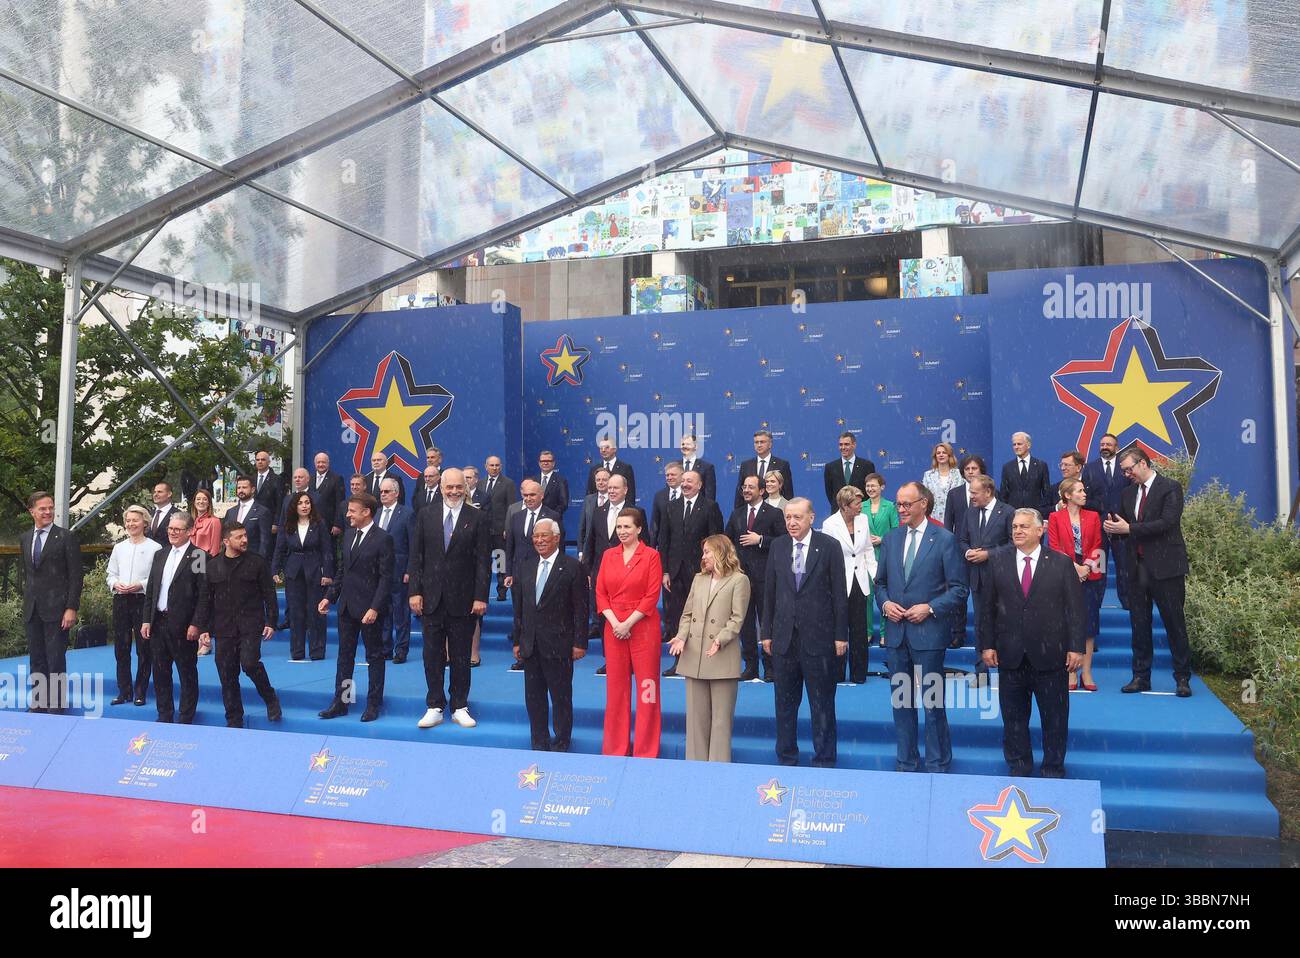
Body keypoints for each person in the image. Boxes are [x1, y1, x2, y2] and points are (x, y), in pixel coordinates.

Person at [978, 509, 1085, 778]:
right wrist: (987, 644)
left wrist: (1076, 647)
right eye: (1014, 526)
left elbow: (1075, 609)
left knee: (1055, 719)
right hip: (1010, 656)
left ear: (1040, 530)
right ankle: (1019, 766)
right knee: (1013, 719)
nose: (1017, 531)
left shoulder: (1061, 563)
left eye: (1024, 526)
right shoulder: (998, 561)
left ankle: (1053, 768)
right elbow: (987, 608)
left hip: (1051, 657)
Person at [875, 481, 968, 773]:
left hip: (928, 636)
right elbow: (880, 584)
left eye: (906, 504)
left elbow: (958, 589)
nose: (900, 509)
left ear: (923, 504)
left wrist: (929, 608)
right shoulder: (891, 539)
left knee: (932, 703)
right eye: (898, 504)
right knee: (901, 704)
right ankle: (906, 761)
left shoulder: (944, 539)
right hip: (896, 635)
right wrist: (886, 604)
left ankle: (937, 762)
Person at [763, 498, 848, 767]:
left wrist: (840, 635)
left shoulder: (829, 547)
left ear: (811, 518)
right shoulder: (777, 546)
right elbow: (770, 594)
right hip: (784, 641)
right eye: (788, 517)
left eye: (797, 517)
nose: (791, 523)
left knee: (821, 705)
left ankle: (824, 758)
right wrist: (766, 632)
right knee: (784, 706)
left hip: (819, 640)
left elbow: (839, 596)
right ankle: (786, 756)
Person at [1104, 448, 1193, 697]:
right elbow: (1124, 528)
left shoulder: (1170, 487)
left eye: (1129, 468)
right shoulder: (1127, 492)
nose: (1126, 474)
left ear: (1143, 463)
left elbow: (1167, 523)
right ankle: (1141, 677)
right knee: (1139, 625)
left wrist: (1128, 528)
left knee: (1174, 623)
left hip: (1167, 568)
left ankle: (1182, 678)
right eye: (1123, 470)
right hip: (1137, 568)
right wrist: (1112, 528)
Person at [409, 468, 492, 729]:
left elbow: (483, 562)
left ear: (465, 488)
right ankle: (434, 704)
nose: (455, 491)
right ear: (441, 487)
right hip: (431, 599)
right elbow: (417, 556)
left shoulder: (477, 517)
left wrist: (480, 596)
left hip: (464, 599)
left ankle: (459, 706)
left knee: (459, 656)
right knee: (431, 655)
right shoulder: (426, 514)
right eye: (450, 487)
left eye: (459, 487)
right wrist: (415, 591)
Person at [669, 534, 750, 761]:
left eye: (707, 552)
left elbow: (737, 619)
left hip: (721, 656)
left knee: (721, 721)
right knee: (696, 720)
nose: (703, 557)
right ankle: (695, 768)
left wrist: (720, 639)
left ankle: (718, 768)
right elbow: (687, 614)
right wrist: (681, 637)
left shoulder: (738, 580)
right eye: (703, 552)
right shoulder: (699, 579)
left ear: (721, 553)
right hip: (695, 656)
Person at [512, 518, 588, 752]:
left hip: (560, 645)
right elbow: (520, 608)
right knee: (534, 698)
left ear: (557, 538)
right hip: (531, 645)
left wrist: (580, 642)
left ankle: (562, 740)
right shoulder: (525, 566)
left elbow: (581, 608)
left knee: (561, 697)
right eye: (536, 536)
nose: (540, 540)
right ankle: (539, 740)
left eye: (544, 536)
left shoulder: (572, 567)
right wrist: (517, 640)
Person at [196, 522, 281, 728]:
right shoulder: (213, 566)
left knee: (250, 664)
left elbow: (269, 595)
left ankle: (270, 697)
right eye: (238, 537)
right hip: (223, 628)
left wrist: (271, 621)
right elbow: (205, 600)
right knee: (226, 674)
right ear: (226, 541)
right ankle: (234, 718)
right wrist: (204, 628)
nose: (244, 540)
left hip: (250, 625)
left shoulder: (257, 563)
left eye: (245, 535)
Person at [319, 494, 394, 722]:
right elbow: (343, 571)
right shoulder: (349, 535)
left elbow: (386, 578)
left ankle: (373, 704)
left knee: (374, 656)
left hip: (370, 610)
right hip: (347, 607)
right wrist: (329, 597)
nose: (348, 515)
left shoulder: (383, 539)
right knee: (345, 657)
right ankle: (341, 702)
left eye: (352, 511)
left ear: (366, 512)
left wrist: (375, 608)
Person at [596, 507, 663, 758]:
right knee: (616, 691)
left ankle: (646, 750)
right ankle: (615, 748)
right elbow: (601, 593)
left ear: (639, 529)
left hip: (643, 628)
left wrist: (628, 624)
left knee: (647, 690)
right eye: (619, 526)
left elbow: (651, 596)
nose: (622, 531)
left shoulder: (651, 556)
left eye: (627, 527)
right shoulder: (608, 555)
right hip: (614, 627)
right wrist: (615, 623)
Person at [658, 468, 724, 676]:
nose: (685, 484)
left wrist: (713, 569)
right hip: (675, 573)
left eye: (690, 481)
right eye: (683, 480)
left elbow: (716, 541)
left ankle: (702, 661)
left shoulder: (710, 507)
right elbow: (664, 540)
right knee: (679, 617)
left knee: (703, 617)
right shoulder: (671, 507)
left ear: (700, 485)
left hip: (701, 572)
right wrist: (665, 571)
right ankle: (679, 662)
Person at [20, 492, 82, 713]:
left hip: (58, 609)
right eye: (43, 509)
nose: (48, 512)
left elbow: (76, 575)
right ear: (32, 511)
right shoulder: (26, 538)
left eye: (50, 508)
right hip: (33, 609)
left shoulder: (66, 537)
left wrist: (71, 607)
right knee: (37, 658)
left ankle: (56, 706)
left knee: (55, 659)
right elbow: (28, 574)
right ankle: (39, 702)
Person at [141, 511, 205, 724]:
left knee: (186, 672)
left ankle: (186, 716)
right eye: (170, 529)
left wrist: (196, 623)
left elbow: (203, 594)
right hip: (158, 622)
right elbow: (151, 589)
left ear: (189, 531)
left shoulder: (198, 556)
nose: (172, 533)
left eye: (177, 529)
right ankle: (164, 714)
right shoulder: (160, 554)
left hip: (184, 625)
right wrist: (146, 619)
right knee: (160, 672)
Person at [726, 475, 784, 682]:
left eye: (751, 487)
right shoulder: (736, 514)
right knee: (746, 624)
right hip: (741, 579)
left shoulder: (775, 514)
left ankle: (770, 668)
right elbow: (728, 542)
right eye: (744, 487)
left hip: (766, 578)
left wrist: (760, 540)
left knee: (767, 622)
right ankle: (750, 666)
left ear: (762, 491)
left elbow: (783, 541)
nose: (747, 490)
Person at [1048, 478, 1104, 691]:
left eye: (1084, 490)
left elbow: (1097, 544)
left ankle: (1087, 672)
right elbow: (1054, 546)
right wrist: (1074, 568)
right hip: (1064, 575)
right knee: (1068, 623)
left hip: (1089, 576)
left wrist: (1086, 568)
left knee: (1089, 626)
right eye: (1079, 491)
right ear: (1068, 495)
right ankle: (1071, 672)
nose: (1084, 494)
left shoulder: (1093, 516)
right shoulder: (1055, 517)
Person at [957, 475, 1014, 675]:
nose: (971, 496)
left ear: (988, 492)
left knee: (1005, 623)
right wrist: (968, 552)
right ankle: (980, 672)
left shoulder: (1008, 512)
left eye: (974, 492)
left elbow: (1014, 544)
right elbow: (962, 539)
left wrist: (988, 554)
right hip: (978, 579)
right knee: (981, 624)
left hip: (1002, 578)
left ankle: (1007, 669)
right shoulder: (969, 513)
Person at [820, 485, 877, 684]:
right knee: (839, 629)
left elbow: (868, 549)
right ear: (845, 506)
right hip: (838, 583)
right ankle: (837, 673)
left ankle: (859, 674)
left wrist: (876, 575)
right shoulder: (830, 524)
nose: (861, 506)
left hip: (860, 582)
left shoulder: (863, 519)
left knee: (860, 631)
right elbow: (827, 557)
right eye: (857, 503)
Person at [505, 479, 562, 670]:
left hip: (543, 572)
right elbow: (510, 547)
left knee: (541, 613)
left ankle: (545, 653)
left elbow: (558, 545)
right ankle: (523, 654)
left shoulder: (552, 516)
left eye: (532, 495)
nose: (528, 499)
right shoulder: (516, 516)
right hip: (520, 575)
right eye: (525, 495)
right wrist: (509, 572)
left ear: (541, 496)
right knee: (520, 613)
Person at [583, 472, 639, 670]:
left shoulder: (635, 512)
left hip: (627, 575)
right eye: (610, 487)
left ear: (625, 490)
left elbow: (644, 543)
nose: (612, 490)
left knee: (626, 617)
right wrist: (588, 571)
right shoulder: (599, 511)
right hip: (601, 573)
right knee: (604, 619)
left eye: (616, 487)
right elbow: (591, 542)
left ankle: (630, 660)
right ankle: (612, 660)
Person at [107, 504, 161, 707]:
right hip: (121, 599)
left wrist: (141, 584)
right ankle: (124, 690)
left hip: (142, 600)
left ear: (145, 523)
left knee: (144, 648)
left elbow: (157, 578)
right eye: (128, 520)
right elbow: (110, 574)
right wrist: (115, 583)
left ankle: (141, 690)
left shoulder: (155, 548)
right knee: (121, 647)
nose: (131, 524)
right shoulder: (119, 547)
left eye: (135, 520)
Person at [273, 491, 334, 662]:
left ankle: (317, 650)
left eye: (307, 502)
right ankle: (297, 651)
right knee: (296, 613)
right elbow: (279, 549)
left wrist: (328, 573)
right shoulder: (287, 525)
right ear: (294, 506)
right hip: (293, 572)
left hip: (315, 571)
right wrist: (275, 570)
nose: (304, 506)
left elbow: (327, 550)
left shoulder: (319, 523)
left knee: (316, 612)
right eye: (300, 503)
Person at [1082, 433, 1129, 609]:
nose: (1104, 447)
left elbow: (1131, 493)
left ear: (1116, 447)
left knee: (1123, 564)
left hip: (1121, 524)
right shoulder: (1090, 468)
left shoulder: (1125, 466)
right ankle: (1097, 601)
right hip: (1098, 524)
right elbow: (1085, 498)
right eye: (1102, 444)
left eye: (1108, 444)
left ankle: (1126, 601)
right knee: (1098, 565)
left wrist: (1118, 513)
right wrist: (1102, 509)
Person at [375, 478, 414, 662]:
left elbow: (413, 545)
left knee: (400, 612)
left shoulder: (406, 514)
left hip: (399, 571)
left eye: (387, 491)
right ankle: (385, 647)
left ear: (396, 493)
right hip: (380, 572)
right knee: (383, 611)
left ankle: (401, 649)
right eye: (381, 491)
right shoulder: (376, 514)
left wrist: (410, 570)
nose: (383, 494)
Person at [860, 472, 898, 655]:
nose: (870, 489)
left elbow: (897, 530)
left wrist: (882, 539)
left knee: (884, 596)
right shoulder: (861, 506)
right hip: (865, 557)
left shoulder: (890, 507)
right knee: (867, 596)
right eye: (867, 486)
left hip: (885, 556)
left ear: (882, 487)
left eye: (873, 485)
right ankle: (867, 632)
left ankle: (884, 633)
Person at [482, 455, 520, 601]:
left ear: (501, 467)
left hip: (500, 531)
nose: (494, 468)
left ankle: (502, 591)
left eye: (497, 465)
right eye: (491, 465)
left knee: (500, 562)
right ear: (486, 467)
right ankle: (483, 592)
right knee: (484, 563)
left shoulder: (508, 483)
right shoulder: (480, 483)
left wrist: (507, 528)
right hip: (484, 531)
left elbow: (511, 507)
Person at [734, 429, 794, 509]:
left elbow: (788, 492)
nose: (759, 445)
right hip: (751, 511)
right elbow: (740, 493)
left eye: (762, 442)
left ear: (770, 444)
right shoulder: (746, 465)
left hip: (774, 512)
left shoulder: (782, 465)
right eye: (756, 442)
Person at [999, 431, 1053, 519]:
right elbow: (1003, 494)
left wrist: (1044, 515)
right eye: (1014, 444)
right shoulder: (1007, 467)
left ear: (1028, 445)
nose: (1016, 447)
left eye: (1019, 444)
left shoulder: (1041, 465)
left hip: (1035, 515)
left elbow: (1046, 493)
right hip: (1014, 515)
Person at [223, 474, 272, 558]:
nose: (241, 490)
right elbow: (225, 536)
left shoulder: (262, 512)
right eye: (238, 488)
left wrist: (259, 562)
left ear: (252, 489)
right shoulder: (230, 512)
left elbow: (265, 541)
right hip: (231, 559)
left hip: (252, 560)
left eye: (244, 487)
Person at [823, 431, 875, 510]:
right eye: (840, 445)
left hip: (861, 511)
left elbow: (869, 491)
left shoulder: (867, 466)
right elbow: (830, 494)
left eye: (846, 444)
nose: (843, 447)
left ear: (854, 445)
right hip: (838, 513)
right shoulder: (830, 467)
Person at [943, 455, 987, 536]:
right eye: (967, 469)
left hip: (985, 545)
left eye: (974, 468)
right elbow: (948, 524)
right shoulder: (953, 494)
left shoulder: (991, 493)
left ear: (981, 470)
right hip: (959, 545)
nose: (970, 472)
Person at [922, 441, 963, 526]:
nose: (941, 455)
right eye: (938, 453)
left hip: (955, 518)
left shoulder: (959, 474)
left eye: (944, 452)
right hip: (934, 518)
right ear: (935, 456)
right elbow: (924, 497)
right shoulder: (928, 475)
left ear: (949, 455)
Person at [587, 438, 637, 506]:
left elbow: (630, 495)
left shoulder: (625, 468)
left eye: (607, 447)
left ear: (615, 449)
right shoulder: (594, 469)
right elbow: (590, 494)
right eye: (601, 448)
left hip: (619, 513)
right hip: (598, 513)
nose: (603, 450)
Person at [577, 467, 610, 567]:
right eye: (598, 480)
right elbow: (582, 528)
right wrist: (581, 551)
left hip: (609, 551)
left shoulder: (615, 500)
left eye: (604, 480)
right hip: (590, 552)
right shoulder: (588, 500)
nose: (601, 482)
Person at [1057, 450, 1104, 516]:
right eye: (1061, 465)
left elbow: (1099, 506)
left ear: (1078, 468)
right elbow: (1042, 509)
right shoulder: (1056, 487)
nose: (1062, 468)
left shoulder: (1093, 485)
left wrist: (1075, 502)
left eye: (1066, 465)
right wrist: (1057, 507)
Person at [649, 461, 683, 547]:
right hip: (664, 546)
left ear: (682, 475)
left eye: (673, 475)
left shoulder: (689, 494)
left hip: (684, 546)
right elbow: (655, 523)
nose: (669, 477)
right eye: (667, 475)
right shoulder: (659, 496)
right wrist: (652, 547)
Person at [251, 449, 284, 536]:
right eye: (258, 460)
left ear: (269, 462)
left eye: (263, 459)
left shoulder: (277, 479)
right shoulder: (251, 479)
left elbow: (280, 503)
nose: (260, 462)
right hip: (252, 521)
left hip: (269, 522)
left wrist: (276, 523)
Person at [678, 434, 717, 504]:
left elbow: (710, 497)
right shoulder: (675, 466)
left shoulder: (707, 467)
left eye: (688, 444)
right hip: (676, 511)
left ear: (695, 447)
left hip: (698, 511)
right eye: (682, 444)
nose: (684, 446)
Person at [535, 450, 569, 521]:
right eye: (543, 461)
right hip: (534, 521)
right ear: (539, 463)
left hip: (553, 521)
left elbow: (563, 504)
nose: (545, 463)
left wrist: (550, 516)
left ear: (553, 463)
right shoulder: (533, 480)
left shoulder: (561, 481)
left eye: (548, 461)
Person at [188, 488, 223, 557]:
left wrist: (210, 564)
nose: (201, 501)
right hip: (190, 560)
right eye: (198, 499)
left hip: (205, 561)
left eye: (205, 499)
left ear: (209, 503)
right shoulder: (191, 521)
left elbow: (215, 549)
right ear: (194, 502)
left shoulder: (214, 521)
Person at [147, 481, 177, 547]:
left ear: (169, 494)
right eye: (154, 492)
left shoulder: (177, 514)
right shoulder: (149, 514)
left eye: (159, 492)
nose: (155, 494)